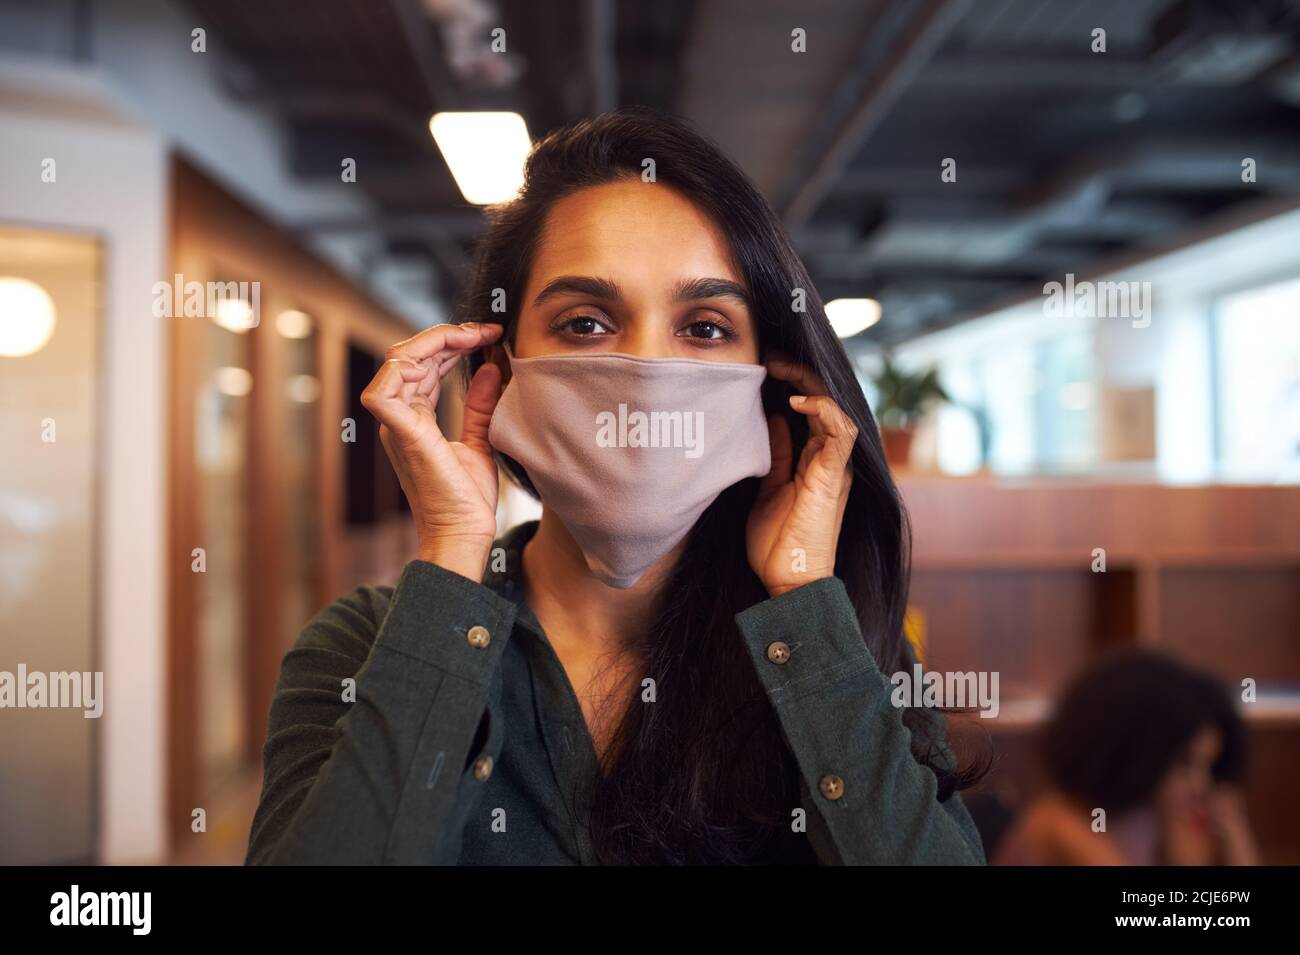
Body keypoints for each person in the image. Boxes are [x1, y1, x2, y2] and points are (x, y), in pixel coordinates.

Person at [244, 106, 987, 865]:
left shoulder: (845, 636)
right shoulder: (363, 645)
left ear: (772, 385)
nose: (645, 380)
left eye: (703, 327)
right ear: (499, 372)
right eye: (586, 323)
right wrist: (450, 554)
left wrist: (801, 599)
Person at [993, 650, 1259, 866]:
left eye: (1208, 766)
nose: (1200, 783)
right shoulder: (1059, 825)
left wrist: (1235, 835)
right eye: (1184, 763)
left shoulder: (1145, 821)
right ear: (1134, 750)